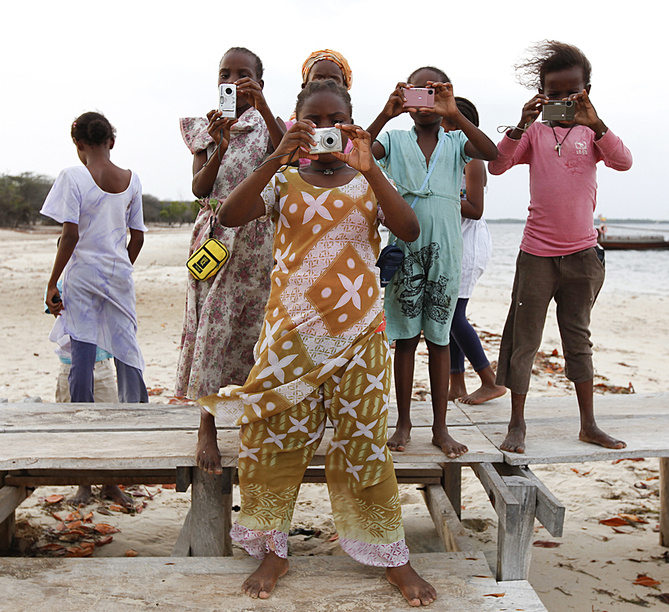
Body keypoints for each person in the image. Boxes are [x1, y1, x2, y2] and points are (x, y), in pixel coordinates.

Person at [197, 80, 436, 606]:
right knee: (273, 441)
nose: (325, 129)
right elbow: (230, 215)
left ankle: (390, 556)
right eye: (314, 120)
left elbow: (410, 229)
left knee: (364, 442)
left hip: (359, 335)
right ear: (298, 125)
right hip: (291, 333)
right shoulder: (283, 181)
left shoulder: (370, 178)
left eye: (335, 120)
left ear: (348, 124)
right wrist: (275, 157)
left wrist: (371, 167)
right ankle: (273, 550)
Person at [488, 40, 632, 453]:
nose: (564, 100)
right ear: (541, 93)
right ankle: (517, 424)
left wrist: (598, 122)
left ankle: (589, 424)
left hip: (583, 255)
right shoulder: (534, 132)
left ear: (586, 90)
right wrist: (520, 124)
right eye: (554, 94)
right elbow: (498, 166)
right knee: (523, 339)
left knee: (578, 338)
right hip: (536, 254)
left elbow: (624, 161)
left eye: (573, 92)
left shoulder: (592, 131)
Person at [367, 67, 497, 458]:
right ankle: (403, 422)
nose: (424, 99)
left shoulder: (457, 141)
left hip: (447, 250)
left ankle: (441, 427)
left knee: (440, 339)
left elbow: (492, 153)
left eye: (432, 91)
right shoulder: (393, 139)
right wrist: (385, 113)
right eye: (416, 92)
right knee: (404, 339)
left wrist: (454, 113)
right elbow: (354, 152)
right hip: (405, 248)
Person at [177, 47, 284, 476]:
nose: (234, 80)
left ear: (259, 81)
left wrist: (264, 105)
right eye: (227, 72)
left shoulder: (268, 125)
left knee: (255, 327)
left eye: (245, 74)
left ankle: (251, 419)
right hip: (215, 236)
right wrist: (218, 145)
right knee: (212, 328)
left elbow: (289, 156)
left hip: (258, 239)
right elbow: (200, 188)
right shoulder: (205, 127)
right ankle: (207, 426)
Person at [42, 111, 147, 507]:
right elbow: (136, 236)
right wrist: (118, 268)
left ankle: (85, 467)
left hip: (82, 273)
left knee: (83, 356)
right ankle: (136, 434)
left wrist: (53, 282)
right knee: (127, 353)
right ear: (111, 142)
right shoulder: (131, 179)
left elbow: (69, 233)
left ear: (79, 144)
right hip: (117, 274)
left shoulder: (74, 175)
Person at [442, 97, 506, 406]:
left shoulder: (473, 160)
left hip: (470, 246)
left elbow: (476, 209)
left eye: (442, 123)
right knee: (450, 317)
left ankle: (489, 381)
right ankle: (457, 384)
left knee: (453, 317)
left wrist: (439, 199)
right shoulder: (447, 157)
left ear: (455, 125)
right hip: (454, 243)